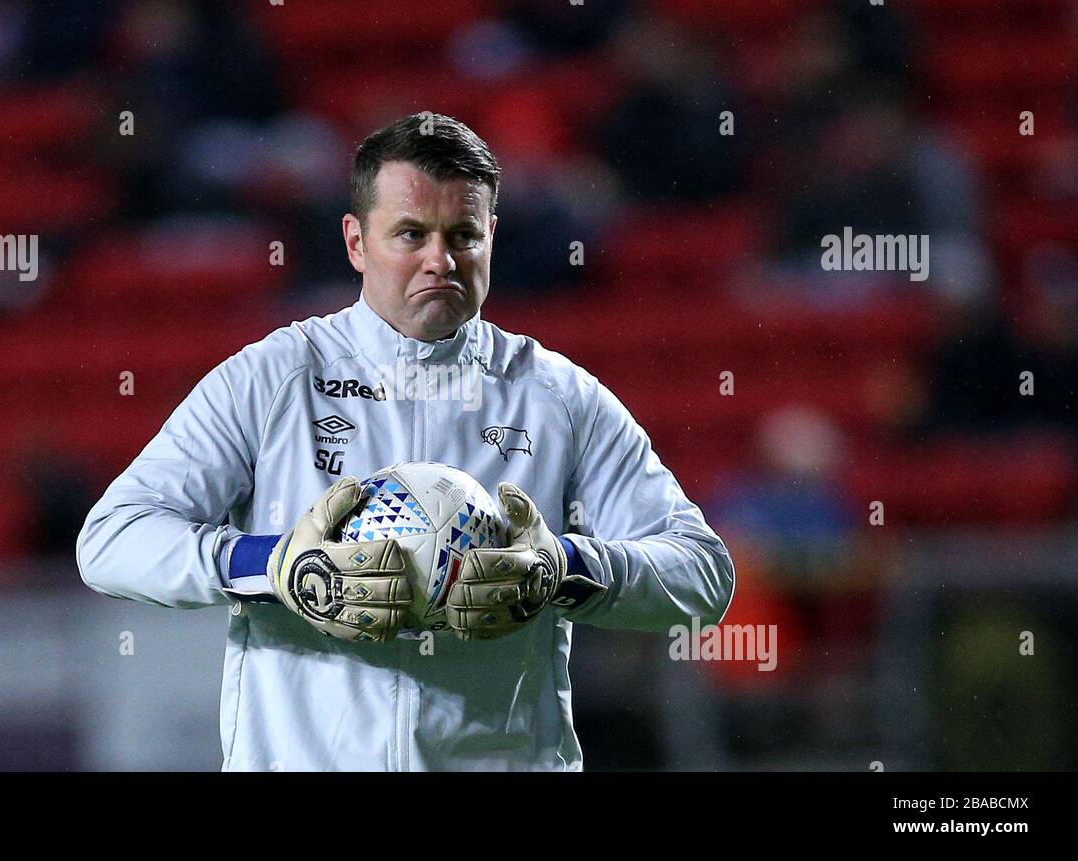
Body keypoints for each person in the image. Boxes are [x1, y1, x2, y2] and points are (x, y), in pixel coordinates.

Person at [76, 113, 735, 771]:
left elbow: (704, 574)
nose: (439, 261)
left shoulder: (556, 395)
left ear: (492, 237)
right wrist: (274, 566)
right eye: (411, 234)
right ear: (356, 241)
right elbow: (111, 539)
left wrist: (565, 567)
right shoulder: (274, 376)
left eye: (464, 236)